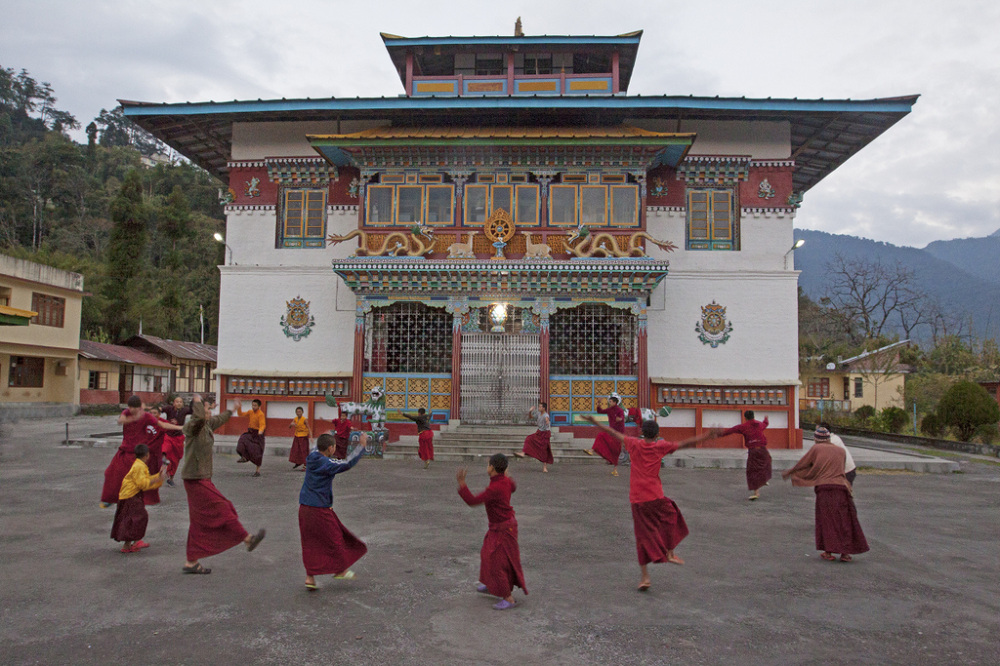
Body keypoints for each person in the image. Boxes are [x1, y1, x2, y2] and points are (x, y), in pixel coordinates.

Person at [584, 415, 719, 591]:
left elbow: (612, 432)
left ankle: (645, 578)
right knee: (672, 515)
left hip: (637, 498)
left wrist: (594, 422)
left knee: (642, 537)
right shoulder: (661, 446)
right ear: (657, 435)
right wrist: (707, 436)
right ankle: (670, 552)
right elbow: (685, 443)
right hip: (655, 496)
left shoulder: (633, 443)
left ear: (641, 433)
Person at [181, 394, 266, 574]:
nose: (210, 411)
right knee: (223, 507)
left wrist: (232, 410)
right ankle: (247, 538)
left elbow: (219, 419)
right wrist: (196, 401)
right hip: (195, 478)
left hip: (202, 477)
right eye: (207, 409)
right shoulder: (193, 426)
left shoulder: (206, 425)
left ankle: (191, 561)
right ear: (198, 411)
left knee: (198, 521)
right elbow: (197, 419)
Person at [781, 427, 869, 563]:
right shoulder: (840, 451)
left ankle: (828, 552)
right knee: (844, 520)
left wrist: (791, 472)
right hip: (841, 487)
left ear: (816, 439)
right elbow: (842, 469)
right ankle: (845, 553)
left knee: (826, 520)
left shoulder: (816, 449)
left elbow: (804, 463)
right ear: (828, 438)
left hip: (825, 488)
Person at [456, 453, 527, 610]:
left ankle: (508, 598)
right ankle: (491, 585)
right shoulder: (504, 481)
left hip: (503, 529)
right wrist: (507, 475)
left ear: (492, 468)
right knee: (486, 555)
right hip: (499, 527)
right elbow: (513, 487)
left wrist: (462, 484)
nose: (487, 467)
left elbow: (472, 501)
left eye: (488, 464)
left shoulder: (496, 487)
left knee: (497, 563)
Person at [299, 432, 369, 590]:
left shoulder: (311, 457)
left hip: (304, 507)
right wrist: (361, 446)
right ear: (330, 448)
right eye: (334, 447)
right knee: (335, 537)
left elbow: (313, 448)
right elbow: (347, 463)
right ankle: (340, 570)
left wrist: (318, 439)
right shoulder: (326, 463)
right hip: (319, 508)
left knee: (309, 542)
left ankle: (310, 577)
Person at [101, 395, 181, 507]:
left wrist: (180, 428)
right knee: (111, 473)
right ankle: (110, 498)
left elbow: (162, 424)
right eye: (131, 408)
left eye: (135, 408)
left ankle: (140, 498)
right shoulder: (127, 412)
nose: (132, 410)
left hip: (137, 453)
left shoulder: (146, 416)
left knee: (139, 478)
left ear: (139, 407)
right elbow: (121, 420)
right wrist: (133, 418)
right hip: (124, 450)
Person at [110, 443, 166, 553]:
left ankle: (132, 543)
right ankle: (132, 543)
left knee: (131, 519)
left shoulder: (139, 465)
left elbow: (146, 480)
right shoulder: (139, 466)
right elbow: (143, 483)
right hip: (130, 496)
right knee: (137, 517)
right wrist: (156, 479)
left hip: (130, 495)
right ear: (146, 455)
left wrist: (158, 477)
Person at [720, 410, 771, 500]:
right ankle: (764, 479)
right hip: (763, 449)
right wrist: (766, 418)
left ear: (745, 418)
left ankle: (756, 492)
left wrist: (720, 434)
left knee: (752, 470)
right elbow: (765, 424)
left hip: (753, 450)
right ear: (753, 416)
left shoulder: (743, 427)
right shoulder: (759, 424)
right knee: (767, 462)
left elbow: (731, 430)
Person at [584, 394, 626, 476]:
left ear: (615, 402)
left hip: (618, 434)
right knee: (601, 435)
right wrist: (599, 402)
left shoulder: (620, 410)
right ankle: (592, 450)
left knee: (616, 451)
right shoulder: (610, 410)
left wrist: (619, 419)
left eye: (610, 401)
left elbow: (621, 418)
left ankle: (615, 470)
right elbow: (600, 411)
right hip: (611, 431)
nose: (609, 403)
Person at [515, 402, 553, 472]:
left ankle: (545, 467)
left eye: (540, 407)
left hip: (545, 433)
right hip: (539, 432)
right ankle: (523, 453)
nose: (539, 408)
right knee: (528, 438)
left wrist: (547, 421)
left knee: (544, 449)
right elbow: (530, 417)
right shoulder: (538, 414)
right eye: (539, 407)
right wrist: (530, 411)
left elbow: (547, 419)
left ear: (544, 408)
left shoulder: (545, 415)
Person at [162, 396, 191, 487]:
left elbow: (196, 411)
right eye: (177, 402)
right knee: (165, 449)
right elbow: (158, 409)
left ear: (182, 404)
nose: (179, 403)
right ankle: (163, 460)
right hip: (168, 435)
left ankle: (171, 478)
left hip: (179, 437)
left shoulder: (185, 410)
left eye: (181, 402)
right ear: (174, 403)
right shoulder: (169, 409)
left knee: (176, 459)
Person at [236, 398, 266, 477]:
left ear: (259, 406)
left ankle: (257, 471)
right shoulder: (250, 412)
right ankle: (244, 457)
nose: (253, 407)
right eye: (253, 405)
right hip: (250, 432)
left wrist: (260, 431)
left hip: (258, 434)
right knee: (242, 440)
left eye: (255, 405)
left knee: (258, 452)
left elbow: (262, 424)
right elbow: (241, 414)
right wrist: (239, 407)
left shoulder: (261, 414)